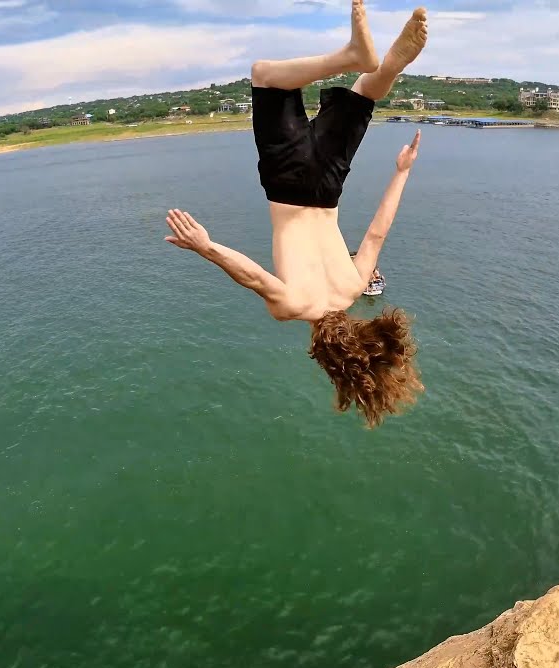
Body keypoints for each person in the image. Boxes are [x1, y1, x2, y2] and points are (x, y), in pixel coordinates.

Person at [164, 1, 428, 428]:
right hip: (287, 187)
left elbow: (377, 234)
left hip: (329, 188)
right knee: (265, 76)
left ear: (362, 333)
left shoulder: (353, 286)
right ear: (325, 358)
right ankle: (349, 55)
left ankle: (389, 68)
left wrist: (401, 172)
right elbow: (251, 275)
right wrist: (205, 246)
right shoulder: (292, 306)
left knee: (363, 92)